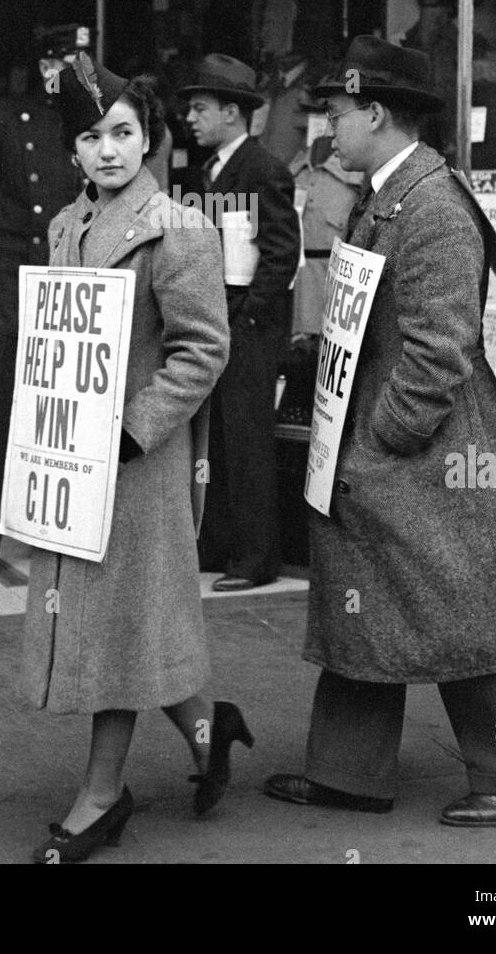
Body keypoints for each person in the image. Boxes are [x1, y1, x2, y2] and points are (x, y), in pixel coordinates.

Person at [265, 35, 496, 826]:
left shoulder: (430, 205)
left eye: (337, 113)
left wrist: (383, 439)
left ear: (376, 113)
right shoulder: (392, 193)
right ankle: (347, 772)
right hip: (394, 443)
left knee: (462, 607)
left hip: (428, 447)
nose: (327, 128)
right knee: (365, 600)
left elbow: (439, 351)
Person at [21, 55, 251, 865]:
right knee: (128, 620)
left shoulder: (177, 228)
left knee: (114, 625)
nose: (109, 150)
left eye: (123, 132)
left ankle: (101, 795)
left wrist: (131, 428)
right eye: (91, 136)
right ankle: (208, 724)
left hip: (137, 465)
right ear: (74, 151)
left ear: (147, 136)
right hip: (74, 462)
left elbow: (201, 349)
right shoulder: (63, 224)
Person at [0, 28, 79, 584]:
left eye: (78, 62)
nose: (66, 71)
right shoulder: (4, 117)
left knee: (67, 416)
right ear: (43, 63)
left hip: (71, 280)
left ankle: (63, 533)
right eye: (59, 61)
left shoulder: (96, 123)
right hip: (8, 278)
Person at [180, 55, 301, 591]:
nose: (190, 116)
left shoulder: (263, 169)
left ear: (233, 113)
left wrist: (250, 313)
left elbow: (281, 253)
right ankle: (218, 545)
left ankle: (256, 559)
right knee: (218, 441)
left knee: (248, 442)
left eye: (201, 108)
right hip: (213, 321)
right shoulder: (206, 172)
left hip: (246, 329)